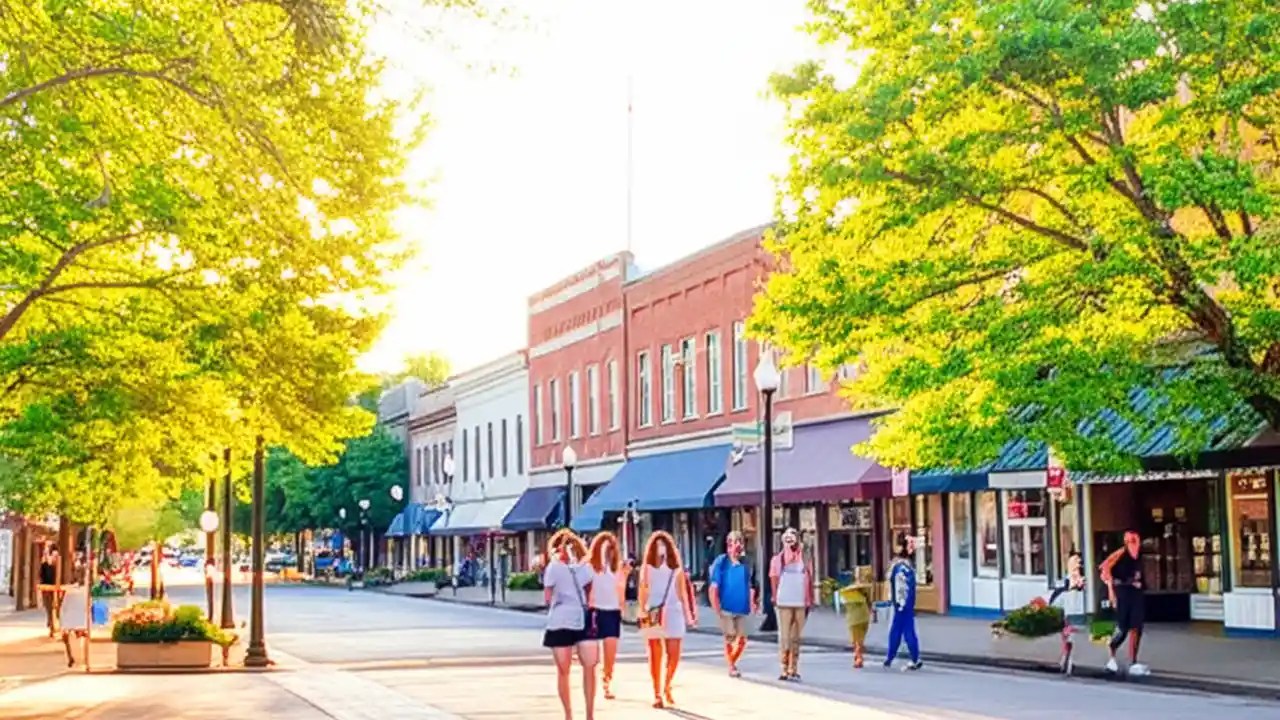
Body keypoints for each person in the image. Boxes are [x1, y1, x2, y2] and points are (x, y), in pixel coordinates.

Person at [542, 529, 599, 720]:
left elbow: (547, 598)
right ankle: (590, 714)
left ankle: (568, 715)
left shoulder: (553, 568)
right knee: (589, 668)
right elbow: (592, 595)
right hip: (583, 618)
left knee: (563, 671)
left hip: (560, 620)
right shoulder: (586, 567)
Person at [638, 531, 696, 708]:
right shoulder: (647, 568)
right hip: (653, 612)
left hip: (673, 611)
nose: (660, 550)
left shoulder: (676, 570)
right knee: (655, 655)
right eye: (657, 546)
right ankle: (657, 693)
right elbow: (643, 590)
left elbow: (682, 594)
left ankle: (667, 684)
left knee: (674, 654)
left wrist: (689, 615)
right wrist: (642, 612)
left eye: (663, 545)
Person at [708, 530, 757, 678]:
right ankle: (731, 665)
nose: (737, 546)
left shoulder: (746, 563)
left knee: (742, 639)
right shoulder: (721, 562)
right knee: (730, 637)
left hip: (742, 607)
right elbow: (714, 586)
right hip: (726, 607)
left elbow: (750, 585)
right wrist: (716, 606)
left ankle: (733, 660)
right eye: (734, 542)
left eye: (739, 542)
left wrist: (752, 603)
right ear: (728, 545)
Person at [587, 531, 629, 700]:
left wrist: (622, 606)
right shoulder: (590, 566)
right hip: (595, 610)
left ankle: (607, 680)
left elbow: (620, 589)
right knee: (593, 652)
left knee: (610, 650)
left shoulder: (617, 567)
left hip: (612, 611)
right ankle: (594, 679)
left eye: (611, 548)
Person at [1100, 529, 1148, 676]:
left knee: (1136, 627)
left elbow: (1142, 575)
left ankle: (1133, 661)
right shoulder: (1120, 554)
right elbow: (1104, 569)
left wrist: (1141, 584)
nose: (1132, 544)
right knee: (1122, 628)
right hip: (1122, 595)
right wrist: (1112, 590)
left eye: (1134, 541)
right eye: (1128, 541)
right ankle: (1112, 656)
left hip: (1136, 596)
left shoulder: (1140, 556)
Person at [769, 527, 813, 681]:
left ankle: (794, 667)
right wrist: (775, 597)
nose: (790, 540)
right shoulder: (777, 559)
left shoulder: (805, 558)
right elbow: (773, 579)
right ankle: (784, 667)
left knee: (796, 637)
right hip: (784, 602)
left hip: (801, 601)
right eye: (787, 537)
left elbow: (810, 578)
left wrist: (810, 599)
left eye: (793, 536)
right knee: (785, 636)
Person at [884, 535, 922, 671]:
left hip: (901, 604)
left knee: (900, 631)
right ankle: (894, 657)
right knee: (905, 631)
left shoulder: (899, 567)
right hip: (907, 603)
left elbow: (899, 586)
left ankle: (895, 657)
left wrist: (899, 604)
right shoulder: (908, 567)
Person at [836, 566, 875, 669]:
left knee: (855, 640)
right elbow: (869, 603)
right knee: (861, 640)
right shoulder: (864, 593)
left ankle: (858, 658)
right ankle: (858, 656)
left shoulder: (848, 594)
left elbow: (844, 605)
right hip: (865, 617)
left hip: (853, 620)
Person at [38, 543, 61, 638]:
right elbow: (41, 576)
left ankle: (54, 625)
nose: (54, 557)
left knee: (55, 608)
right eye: (53, 555)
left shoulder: (59, 565)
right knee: (49, 608)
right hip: (47, 589)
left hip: (57, 590)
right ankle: (51, 626)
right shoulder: (44, 564)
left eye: (56, 556)